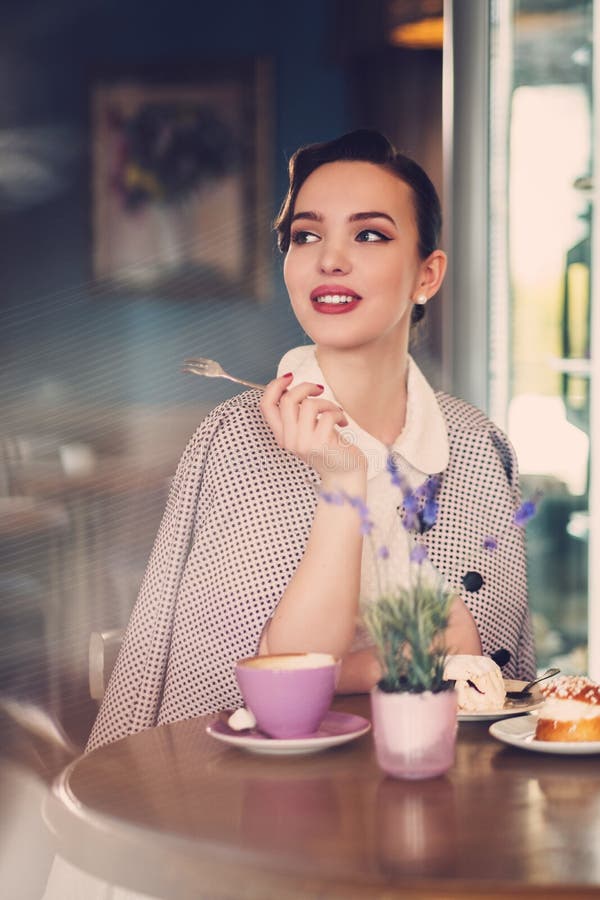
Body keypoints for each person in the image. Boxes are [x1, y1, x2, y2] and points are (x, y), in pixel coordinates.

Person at [87, 129, 535, 752]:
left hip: (446, 790)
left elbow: (498, 684)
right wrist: (342, 478)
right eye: (307, 235)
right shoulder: (235, 440)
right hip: (249, 803)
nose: (331, 258)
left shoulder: (481, 444)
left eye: (369, 233)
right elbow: (277, 681)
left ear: (426, 275)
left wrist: (380, 662)